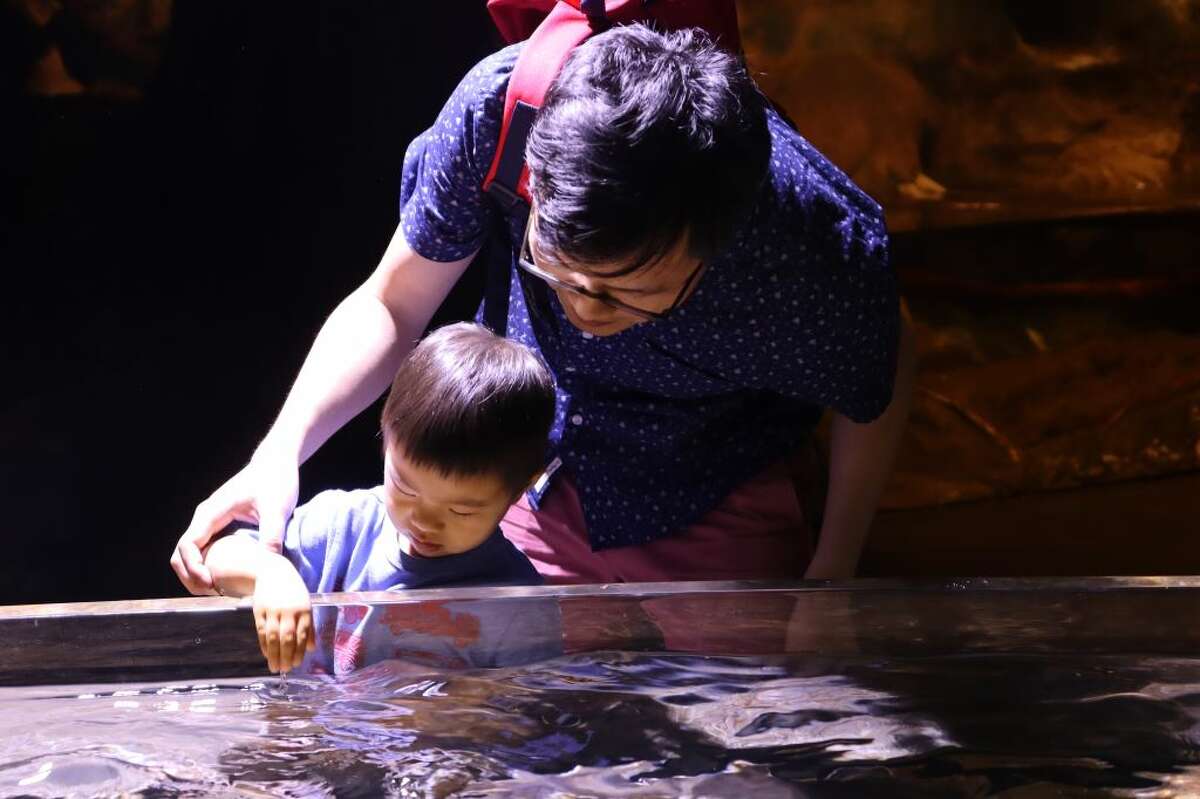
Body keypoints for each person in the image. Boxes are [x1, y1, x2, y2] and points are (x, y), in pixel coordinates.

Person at [173, 23, 915, 594]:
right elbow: (394, 301)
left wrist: (832, 575)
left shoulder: (804, 237)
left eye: (627, 291)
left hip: (717, 487)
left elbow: (877, 375)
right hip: (533, 472)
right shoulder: (502, 116)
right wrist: (280, 451)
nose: (586, 307)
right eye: (560, 271)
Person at [201, 322, 557, 674]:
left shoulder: (519, 604)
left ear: (520, 489)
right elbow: (217, 556)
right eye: (405, 488)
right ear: (386, 444)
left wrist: (463, 699)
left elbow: (528, 702)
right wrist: (270, 573)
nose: (423, 520)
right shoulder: (345, 526)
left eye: (460, 510)